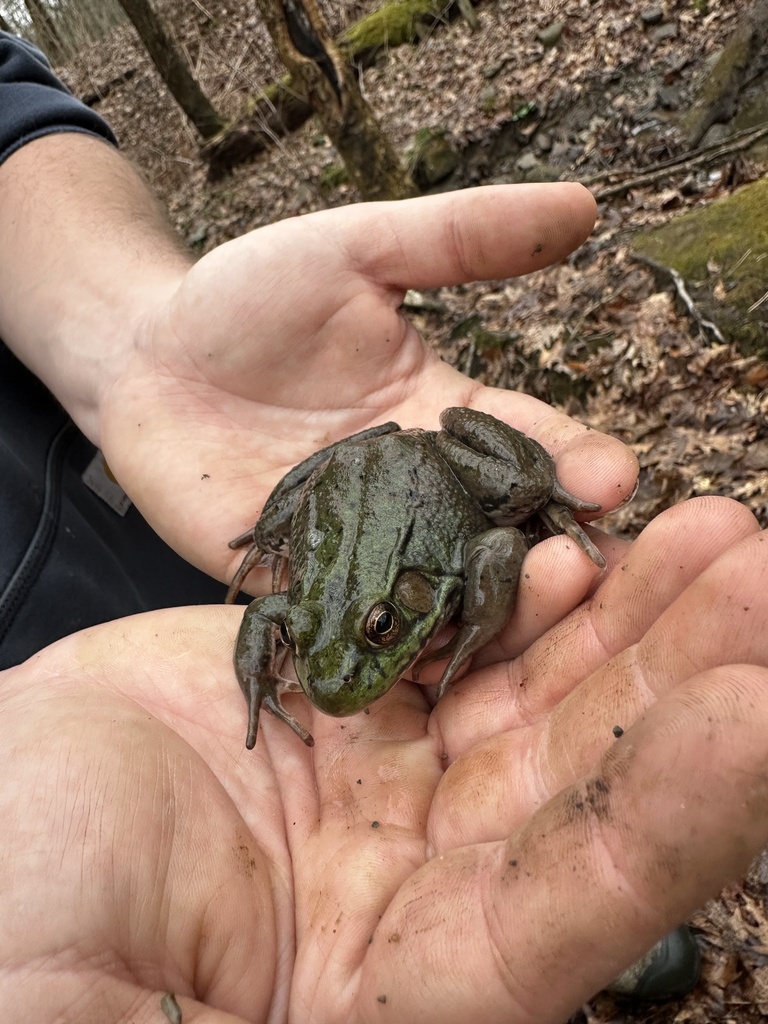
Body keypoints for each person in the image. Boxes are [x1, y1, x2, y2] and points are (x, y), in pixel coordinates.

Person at [1, 29, 767, 1024]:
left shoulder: (428, 581)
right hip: (183, 627)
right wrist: (269, 667)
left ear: (393, 618)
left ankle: (581, 903)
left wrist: (128, 341)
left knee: (527, 502)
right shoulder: (308, 626)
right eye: (326, 640)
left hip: (421, 478)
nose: (332, 685)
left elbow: (494, 549)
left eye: (365, 640)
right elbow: (261, 623)